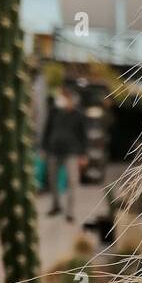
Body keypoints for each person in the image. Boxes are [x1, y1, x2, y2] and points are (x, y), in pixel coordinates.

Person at [41, 85, 86, 222]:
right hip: (54, 150)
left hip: (71, 152)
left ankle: (70, 212)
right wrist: (44, 148)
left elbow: (82, 135)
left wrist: (83, 154)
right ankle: (56, 205)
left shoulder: (78, 115)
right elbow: (47, 130)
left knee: (72, 181)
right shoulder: (54, 112)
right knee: (52, 180)